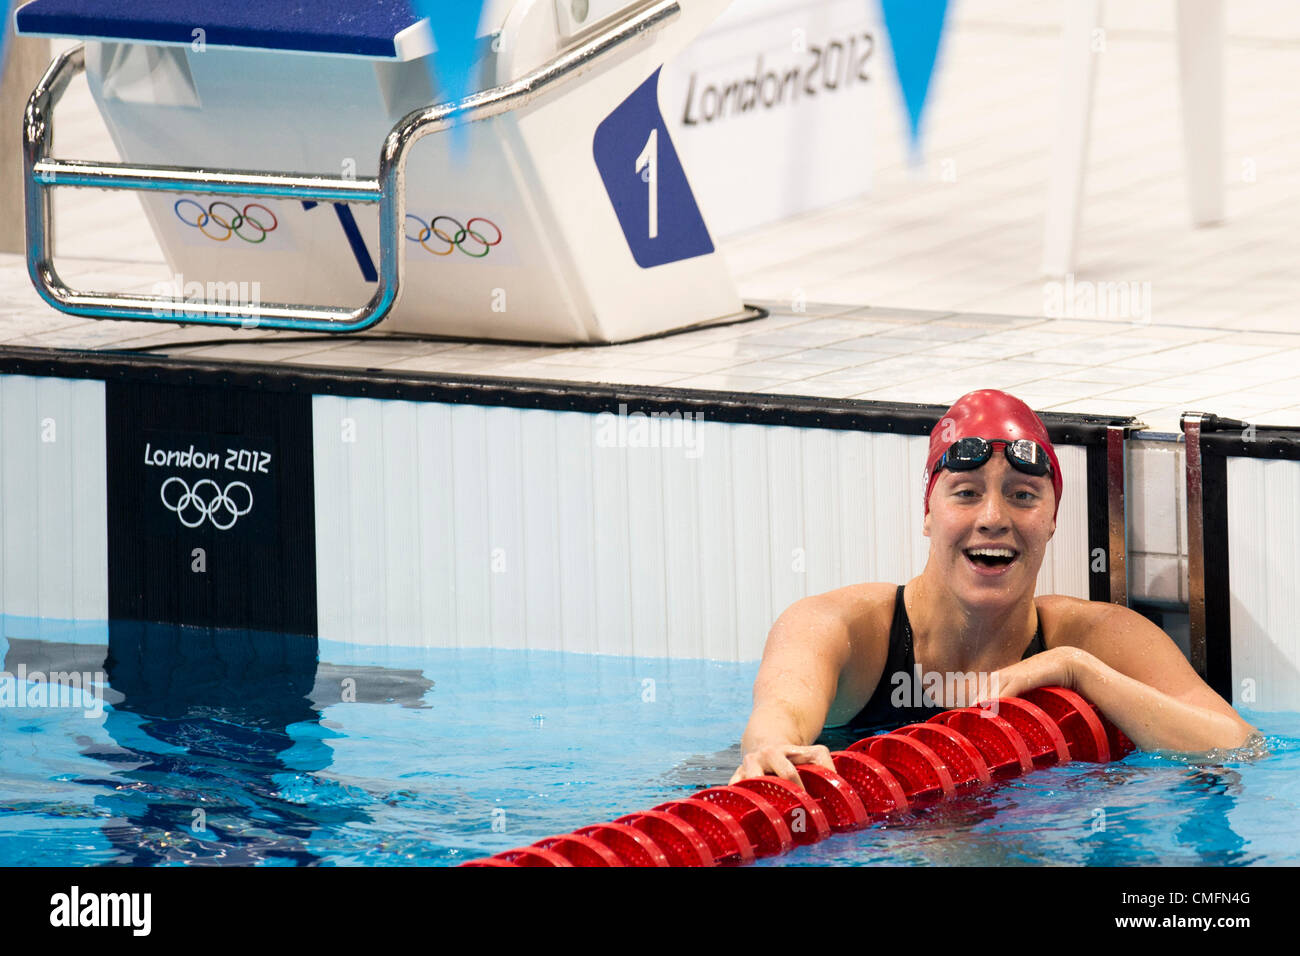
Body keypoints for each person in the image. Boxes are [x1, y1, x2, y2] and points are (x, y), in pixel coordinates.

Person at [730, 389, 1258, 787]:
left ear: (1053, 519)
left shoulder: (1095, 637)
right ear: (927, 514)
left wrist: (1076, 669)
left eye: (1023, 496)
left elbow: (1239, 746)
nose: (993, 519)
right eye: (966, 493)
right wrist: (772, 748)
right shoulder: (841, 628)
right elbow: (780, 715)